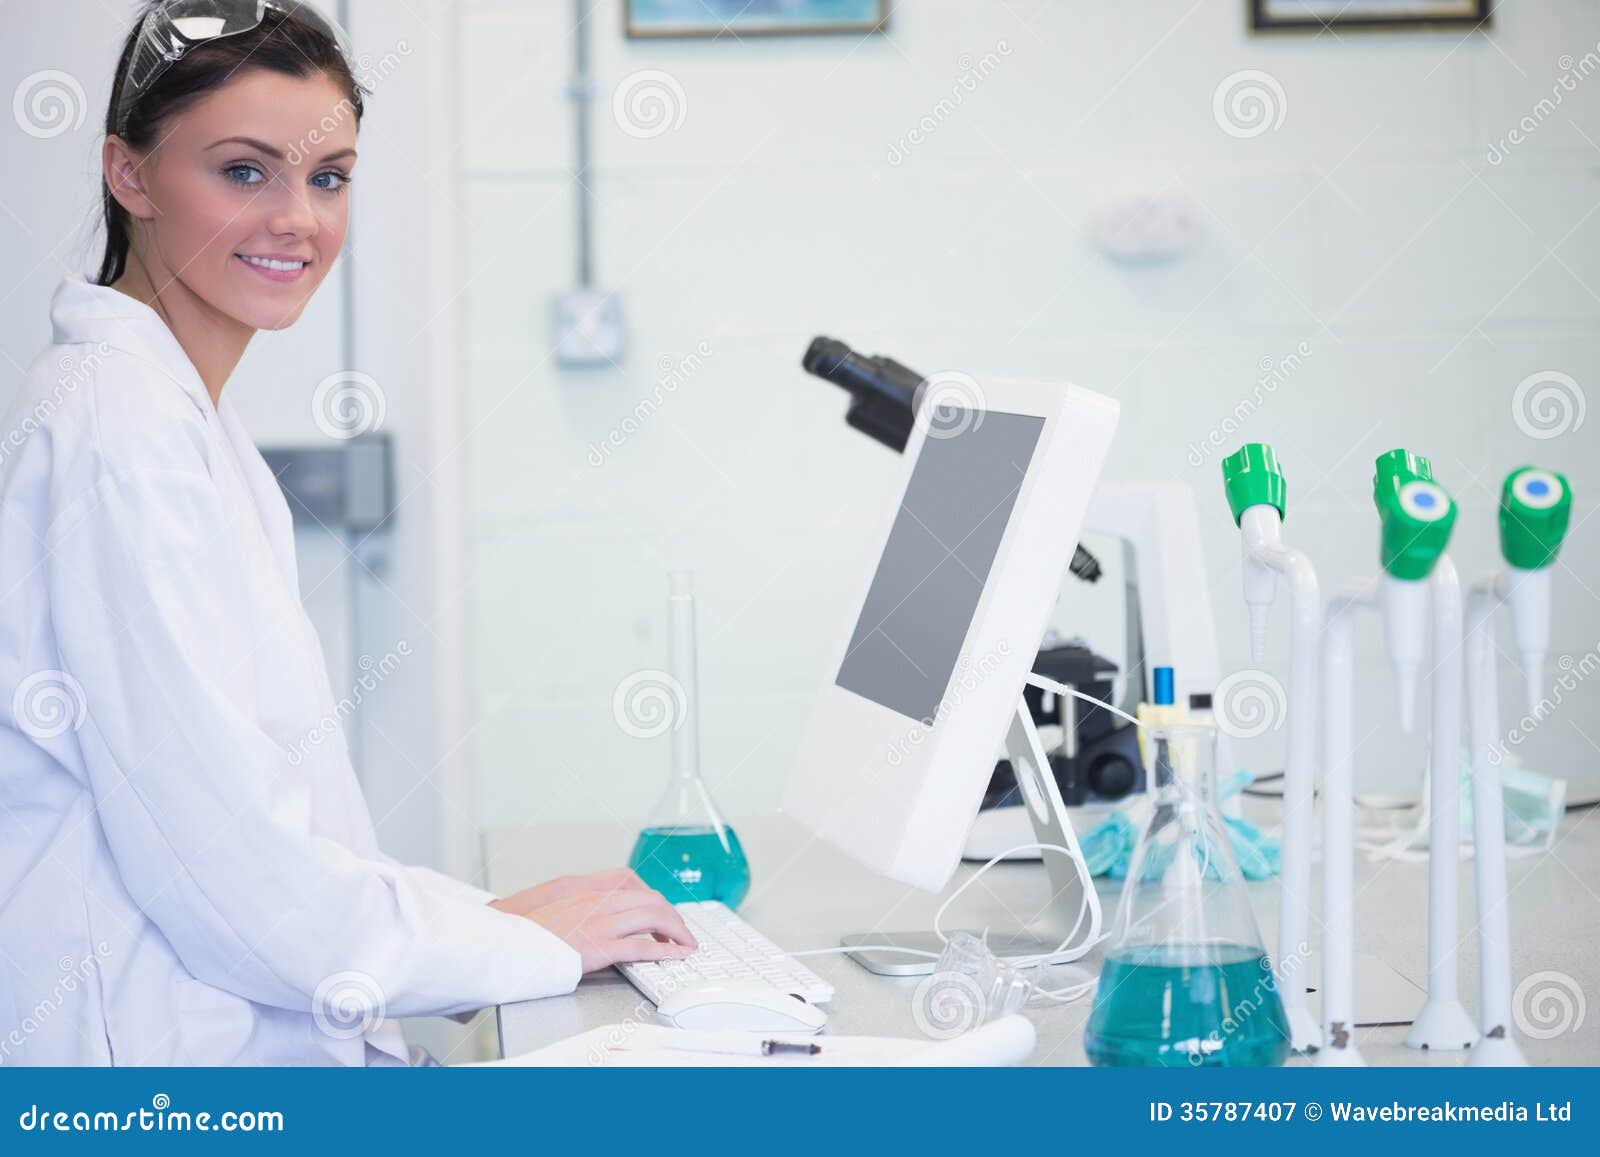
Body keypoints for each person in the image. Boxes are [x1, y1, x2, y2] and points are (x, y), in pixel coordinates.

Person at [0, 1, 695, 1067]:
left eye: (327, 176)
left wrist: (486, 917)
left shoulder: (177, 414)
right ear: (128, 175)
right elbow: (231, 876)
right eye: (243, 170)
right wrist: (510, 941)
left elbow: (270, 834)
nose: (298, 218)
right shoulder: (118, 431)